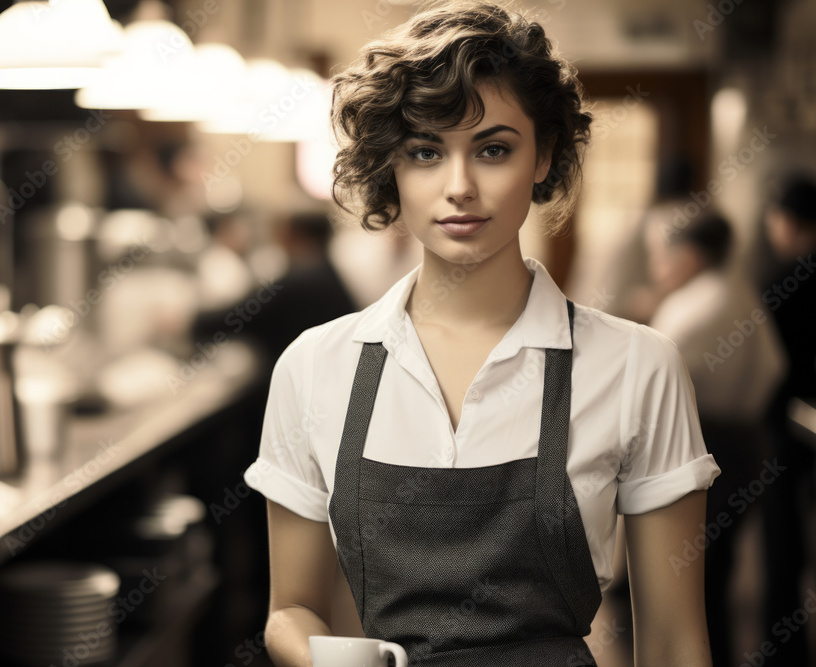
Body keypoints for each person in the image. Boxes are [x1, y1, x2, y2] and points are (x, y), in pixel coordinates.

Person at [244, 3, 721, 665]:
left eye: (493, 149)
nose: (460, 186)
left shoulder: (638, 366)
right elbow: (290, 610)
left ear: (543, 155)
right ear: (393, 167)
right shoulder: (315, 366)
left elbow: (673, 645)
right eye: (425, 151)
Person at [641, 209, 785, 667]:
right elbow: (773, 369)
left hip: (705, 445)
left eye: (666, 254)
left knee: (691, 583)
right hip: (744, 443)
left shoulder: (697, 304)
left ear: (691, 255)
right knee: (712, 578)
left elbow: (651, 383)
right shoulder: (735, 291)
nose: (658, 266)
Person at [758, 174, 816, 667]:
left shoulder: (782, 285)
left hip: (787, 426)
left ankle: (783, 653)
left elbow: (766, 367)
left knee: (783, 546)